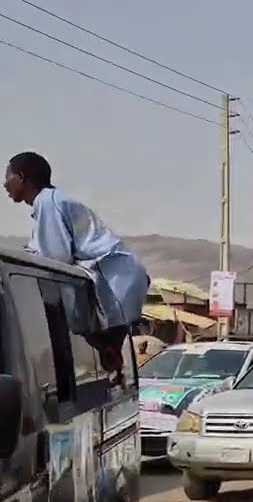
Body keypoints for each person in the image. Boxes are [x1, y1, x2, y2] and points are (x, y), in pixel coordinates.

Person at [4, 151, 149, 381]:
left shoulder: (47, 202)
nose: (4, 184)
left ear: (21, 177)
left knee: (66, 314)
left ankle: (111, 359)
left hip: (113, 275)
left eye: (8, 177)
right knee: (98, 340)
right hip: (124, 275)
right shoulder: (53, 200)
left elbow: (54, 257)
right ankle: (114, 365)